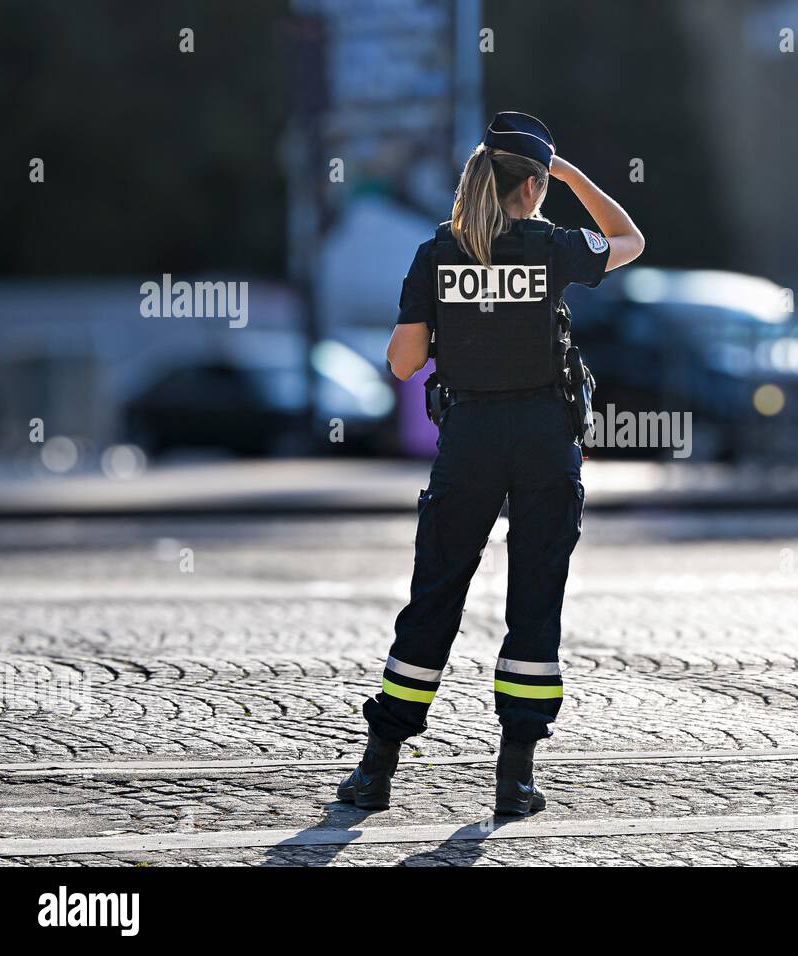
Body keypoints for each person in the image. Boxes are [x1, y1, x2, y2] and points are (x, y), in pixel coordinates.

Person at [337, 112, 644, 815]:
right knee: (535, 598)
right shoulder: (552, 247)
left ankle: (377, 770)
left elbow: (405, 362)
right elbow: (631, 239)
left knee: (436, 592)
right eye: (542, 182)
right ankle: (516, 779)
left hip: (469, 437)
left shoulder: (436, 252)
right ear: (533, 187)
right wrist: (572, 176)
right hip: (544, 435)